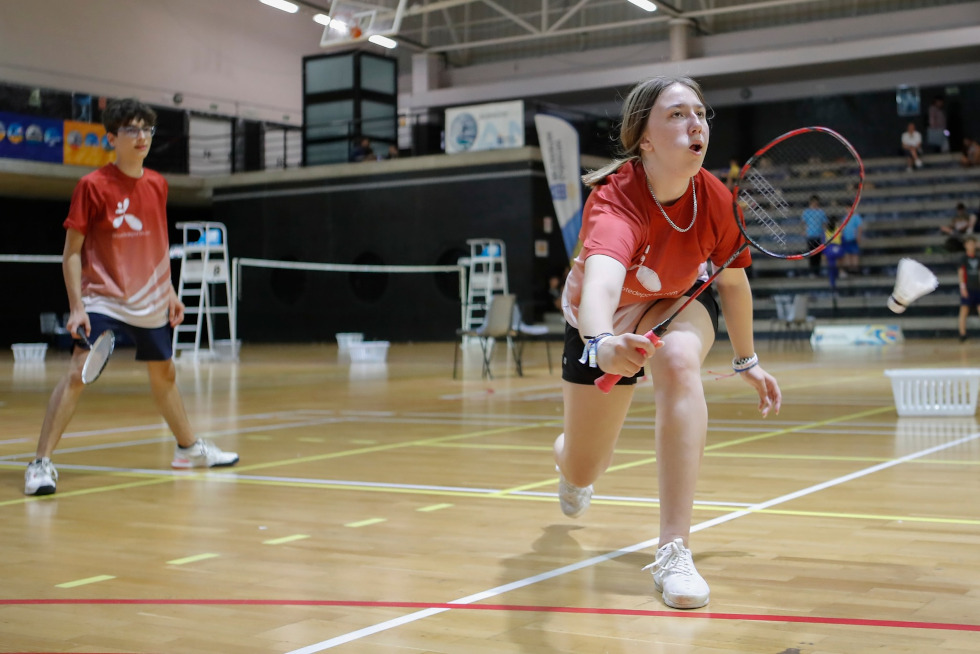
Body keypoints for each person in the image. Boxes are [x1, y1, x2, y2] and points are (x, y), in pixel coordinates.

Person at [554, 76, 781, 610]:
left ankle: (674, 550)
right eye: (677, 114)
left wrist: (746, 360)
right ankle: (569, 465)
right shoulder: (615, 202)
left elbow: (730, 281)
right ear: (645, 140)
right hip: (601, 321)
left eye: (700, 113)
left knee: (680, 360)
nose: (696, 123)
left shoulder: (718, 201)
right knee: (584, 464)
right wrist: (603, 342)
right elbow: (602, 284)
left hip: (671, 304)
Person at [24, 98, 239, 497]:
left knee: (165, 375)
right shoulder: (92, 186)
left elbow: (157, 242)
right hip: (104, 297)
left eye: (147, 130)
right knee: (78, 374)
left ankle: (187, 448)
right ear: (112, 138)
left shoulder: (157, 183)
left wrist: (171, 292)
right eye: (132, 130)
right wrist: (76, 306)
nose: (142, 138)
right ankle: (40, 464)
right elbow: (72, 252)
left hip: (151, 297)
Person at [958, 235, 980, 342]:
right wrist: (963, 288)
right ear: (965, 245)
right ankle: (962, 334)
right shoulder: (963, 258)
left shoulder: (978, 258)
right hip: (968, 288)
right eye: (969, 244)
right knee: (964, 311)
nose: (971, 246)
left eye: (973, 243)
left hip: (977, 288)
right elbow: (961, 273)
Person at [801, 195, 828, 276]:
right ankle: (812, 271)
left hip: (819, 235)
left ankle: (817, 271)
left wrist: (825, 233)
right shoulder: (806, 212)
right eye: (813, 201)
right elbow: (803, 223)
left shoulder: (821, 212)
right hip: (810, 235)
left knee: (818, 255)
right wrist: (804, 231)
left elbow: (825, 223)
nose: (815, 203)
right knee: (811, 254)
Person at [839, 209, 864, 275]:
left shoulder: (856, 217)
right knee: (848, 255)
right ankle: (850, 270)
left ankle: (855, 269)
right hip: (846, 239)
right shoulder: (845, 217)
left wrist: (858, 237)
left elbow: (860, 227)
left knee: (854, 254)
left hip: (853, 238)